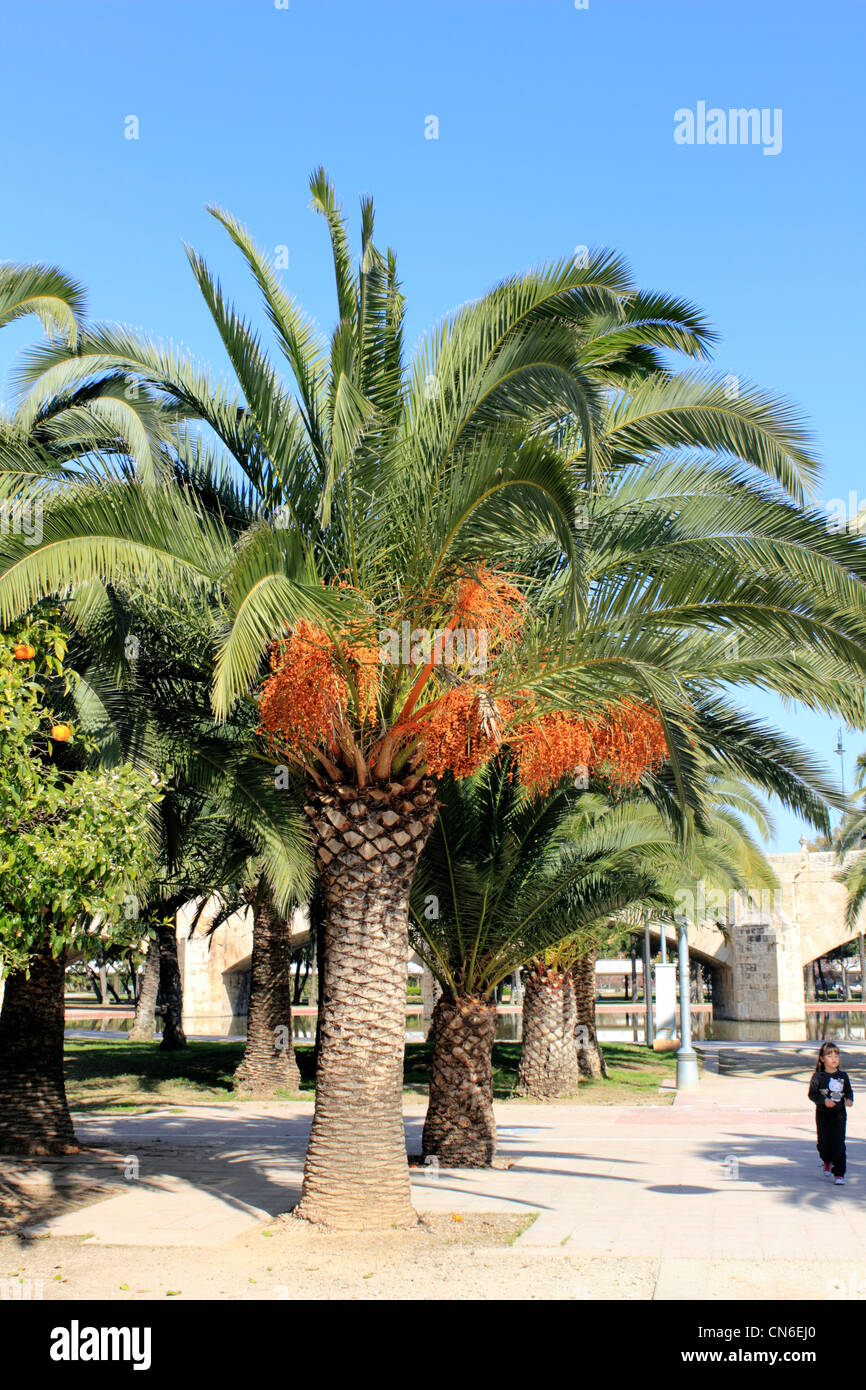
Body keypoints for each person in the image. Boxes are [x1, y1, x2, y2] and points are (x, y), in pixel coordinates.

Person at [808, 1042, 853, 1184]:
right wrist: (824, 1101)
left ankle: (839, 1174)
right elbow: (812, 1094)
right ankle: (826, 1160)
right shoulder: (818, 1077)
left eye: (836, 1055)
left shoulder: (843, 1075)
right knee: (824, 1143)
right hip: (823, 1115)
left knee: (839, 1143)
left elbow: (848, 1091)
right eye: (829, 1055)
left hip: (839, 1115)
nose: (834, 1058)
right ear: (822, 1059)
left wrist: (849, 1100)